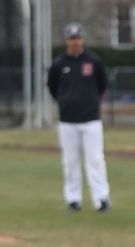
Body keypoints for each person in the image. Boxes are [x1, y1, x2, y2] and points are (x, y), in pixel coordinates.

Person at [46, 23, 112, 212]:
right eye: (71, 39)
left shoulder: (94, 61)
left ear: (82, 39)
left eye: (78, 38)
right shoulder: (59, 64)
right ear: (66, 41)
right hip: (67, 121)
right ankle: (73, 200)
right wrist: (66, 101)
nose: (75, 42)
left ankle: (101, 199)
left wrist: (89, 102)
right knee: (70, 161)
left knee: (96, 160)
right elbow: (52, 87)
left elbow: (102, 85)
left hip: (91, 120)